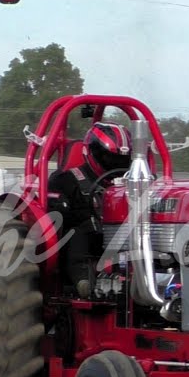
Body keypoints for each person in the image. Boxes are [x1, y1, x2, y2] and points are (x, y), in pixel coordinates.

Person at [46, 121, 133, 296]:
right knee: (77, 232)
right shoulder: (66, 180)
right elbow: (56, 220)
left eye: (121, 160)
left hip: (126, 241)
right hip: (84, 246)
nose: (116, 165)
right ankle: (83, 282)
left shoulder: (137, 184)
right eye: (109, 159)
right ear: (91, 152)